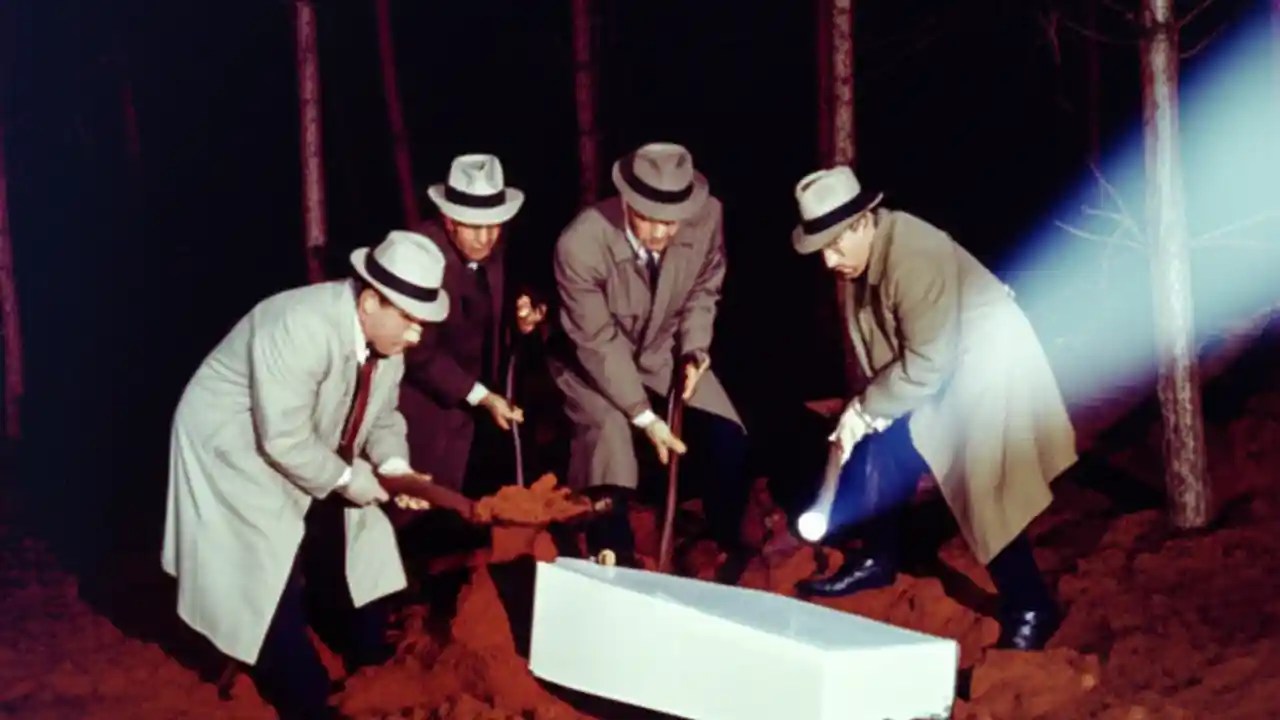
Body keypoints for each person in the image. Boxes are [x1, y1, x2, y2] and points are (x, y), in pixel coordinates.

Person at [788, 166, 1078, 651]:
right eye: (823, 250)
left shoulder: (912, 256)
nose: (829, 260)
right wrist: (869, 413)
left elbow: (926, 364)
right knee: (886, 451)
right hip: (936, 361)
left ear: (863, 222)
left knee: (982, 484)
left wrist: (864, 409)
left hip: (984, 363)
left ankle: (1031, 606)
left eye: (836, 245)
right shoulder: (865, 256)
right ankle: (878, 559)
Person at [162, 230, 449, 718]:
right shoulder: (298, 325)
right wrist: (351, 481)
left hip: (300, 436)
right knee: (263, 560)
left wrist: (396, 469)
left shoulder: (390, 343)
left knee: (365, 538)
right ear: (371, 302)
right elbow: (282, 440)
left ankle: (370, 658)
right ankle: (304, 695)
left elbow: (381, 419)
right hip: (232, 442)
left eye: (423, 322)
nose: (417, 335)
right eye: (410, 320)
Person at [548, 141, 752, 581]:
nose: (660, 233)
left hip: (662, 348)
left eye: (671, 221)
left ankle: (724, 546)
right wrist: (643, 416)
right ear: (625, 201)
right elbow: (597, 341)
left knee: (728, 436)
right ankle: (613, 557)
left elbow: (704, 289)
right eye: (647, 218)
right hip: (592, 362)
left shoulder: (709, 216)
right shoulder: (579, 243)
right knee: (610, 440)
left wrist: (695, 351)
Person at [398, 153, 547, 501]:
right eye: (474, 226)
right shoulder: (420, 256)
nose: (486, 238)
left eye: (494, 225)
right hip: (417, 406)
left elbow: (497, 304)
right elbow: (417, 352)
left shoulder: (493, 246)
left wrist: (525, 315)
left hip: (473, 409)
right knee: (412, 505)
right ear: (449, 220)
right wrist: (481, 396)